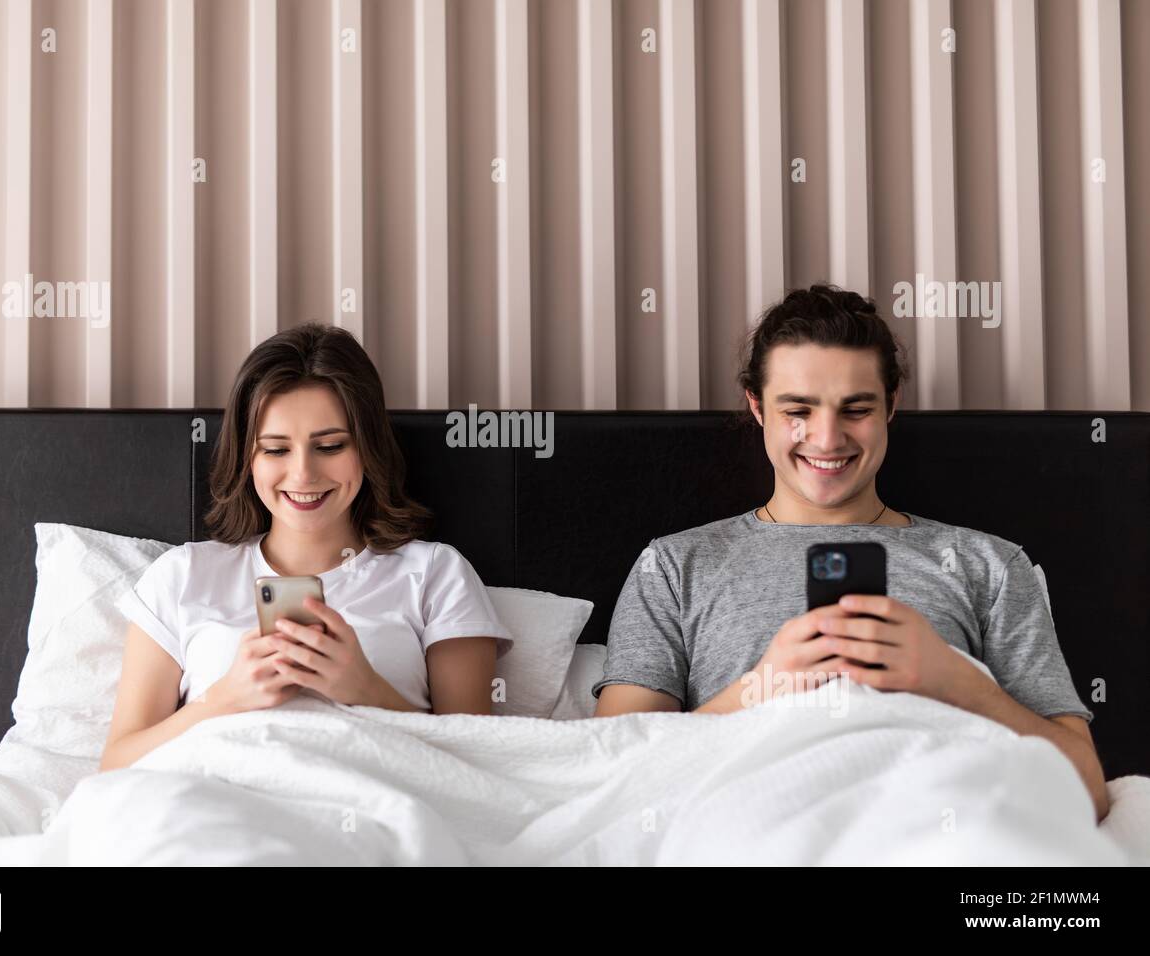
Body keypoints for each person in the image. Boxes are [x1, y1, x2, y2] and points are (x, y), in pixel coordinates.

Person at [591, 284, 1108, 822]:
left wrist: (957, 682)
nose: (827, 437)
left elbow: (1089, 790)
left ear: (892, 404)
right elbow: (609, 777)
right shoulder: (674, 567)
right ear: (756, 407)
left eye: (856, 409)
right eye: (798, 409)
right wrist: (760, 688)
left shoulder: (990, 566)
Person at [101, 323, 513, 771]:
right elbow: (117, 764)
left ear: (368, 448)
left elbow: (475, 767)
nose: (303, 475)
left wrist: (367, 691)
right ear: (247, 459)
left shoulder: (436, 574)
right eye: (276, 450)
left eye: (330, 446)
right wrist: (223, 698)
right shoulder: (182, 575)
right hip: (214, 809)